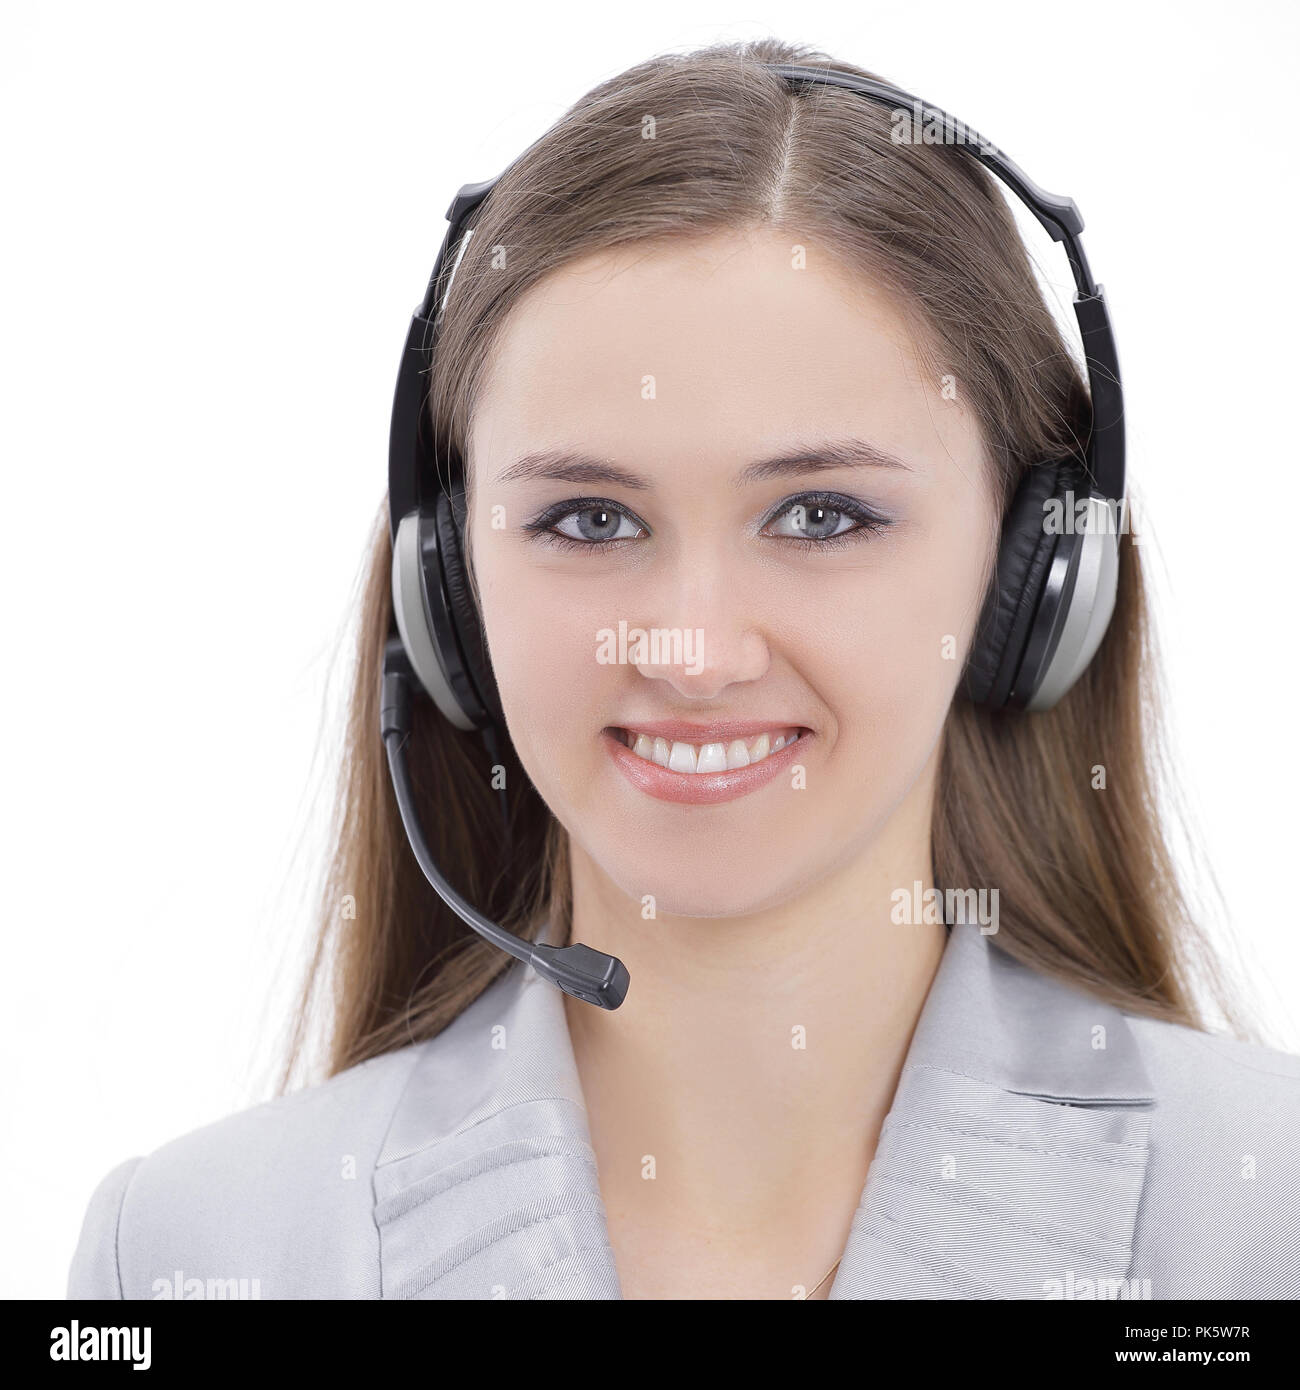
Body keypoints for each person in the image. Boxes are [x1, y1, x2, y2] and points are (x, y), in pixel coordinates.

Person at [68, 37, 1300, 1302]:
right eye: (590, 520)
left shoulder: (1269, 1215)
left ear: (1032, 566)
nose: (695, 654)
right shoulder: (185, 1251)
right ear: (447, 582)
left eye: (822, 514)